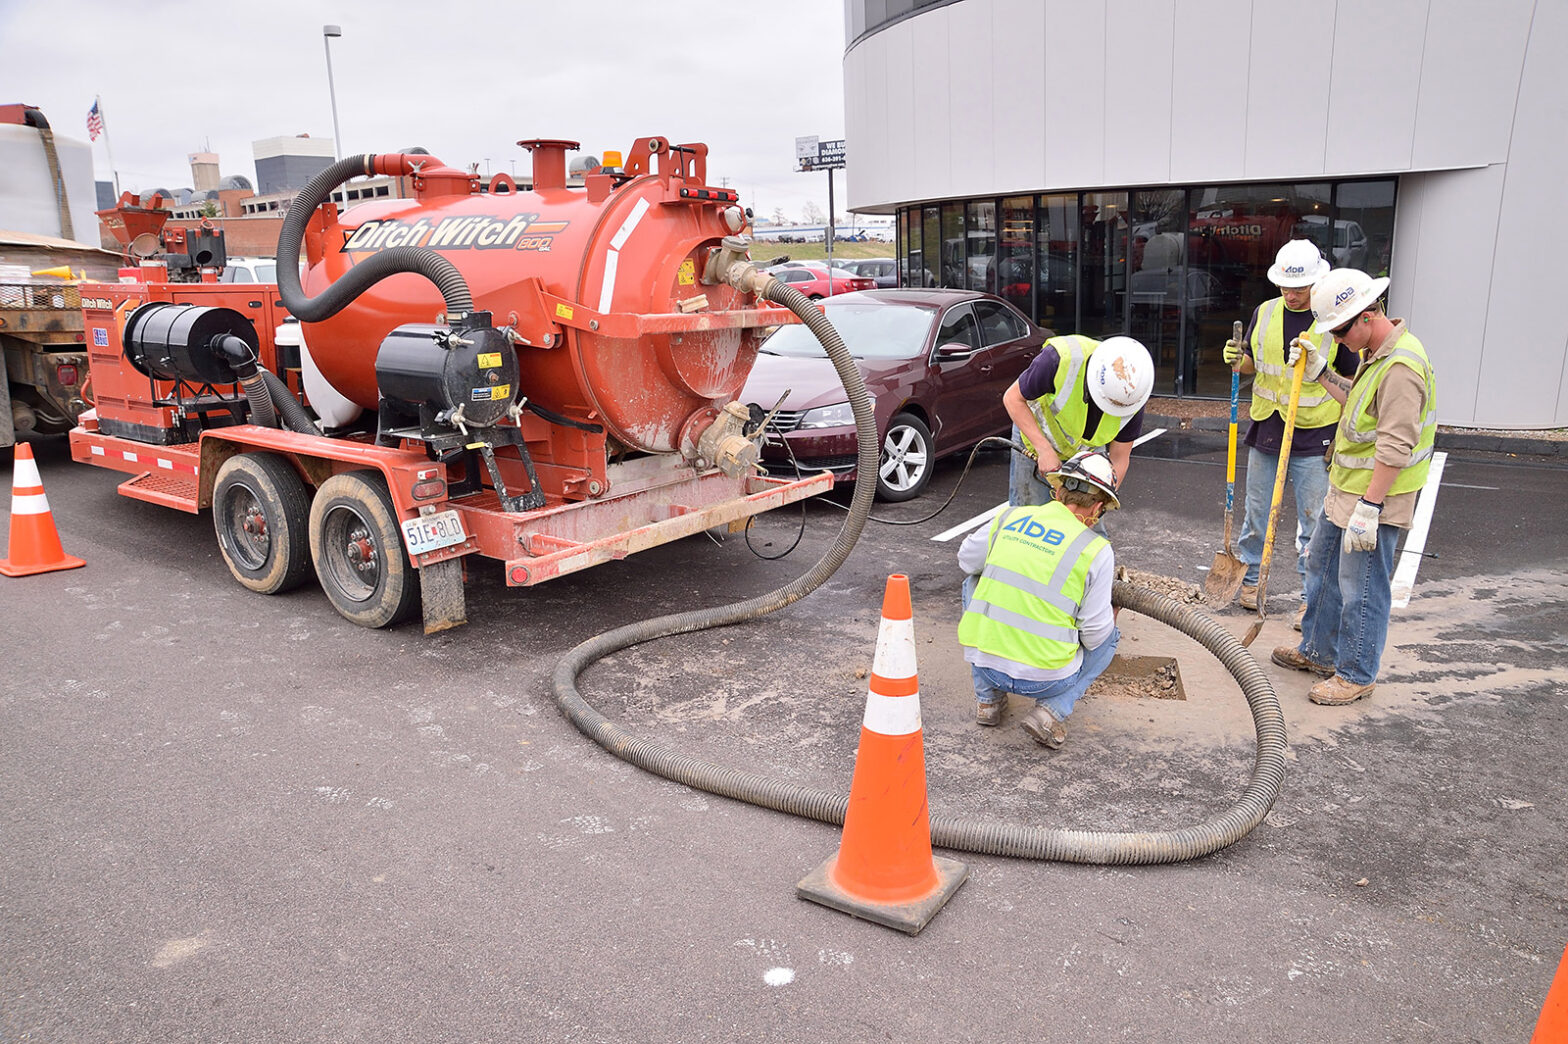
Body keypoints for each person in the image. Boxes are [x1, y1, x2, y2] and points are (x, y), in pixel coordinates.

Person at [1271, 268, 1437, 706]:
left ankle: (1356, 672)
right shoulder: (1376, 355)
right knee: (1322, 570)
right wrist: (1322, 373)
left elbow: (1395, 446)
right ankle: (1318, 651)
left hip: (1372, 499)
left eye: (1341, 329)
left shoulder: (1402, 367)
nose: (1339, 338)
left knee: (1361, 588)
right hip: (1346, 490)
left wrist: (1370, 507)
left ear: (1367, 315)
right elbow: (1358, 406)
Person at [1223, 239, 1358, 629]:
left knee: (1314, 522)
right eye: (1285, 287)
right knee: (1256, 513)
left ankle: (1310, 599)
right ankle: (1250, 581)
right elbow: (1251, 364)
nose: (1291, 294)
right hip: (1268, 426)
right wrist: (1237, 360)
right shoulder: (1264, 312)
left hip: (1314, 436)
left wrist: (1319, 369)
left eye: (1299, 288)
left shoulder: (1332, 319)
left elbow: (1350, 380)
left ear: (1318, 281)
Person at [958, 449, 1121, 749]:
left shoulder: (1011, 516)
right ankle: (1050, 711)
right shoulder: (1096, 550)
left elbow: (967, 560)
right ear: (1098, 507)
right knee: (1110, 636)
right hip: (1046, 679)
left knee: (973, 581)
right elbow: (1096, 636)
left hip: (987, 666)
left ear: (1058, 491)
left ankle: (988, 700)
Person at [1002, 335, 1154, 507]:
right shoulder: (1059, 360)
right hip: (1035, 440)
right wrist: (1044, 450)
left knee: (1085, 519)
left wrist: (1101, 502)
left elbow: (1119, 457)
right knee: (1027, 516)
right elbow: (1012, 399)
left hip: (1085, 455)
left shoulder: (1132, 397)